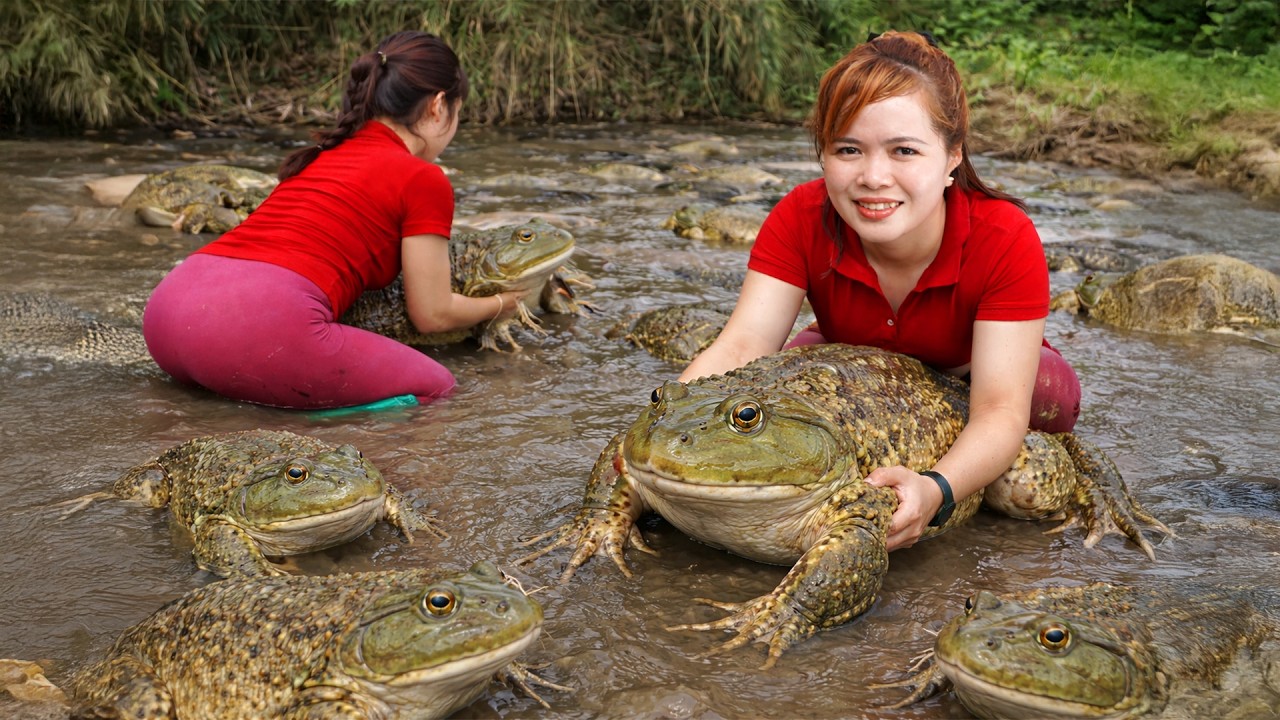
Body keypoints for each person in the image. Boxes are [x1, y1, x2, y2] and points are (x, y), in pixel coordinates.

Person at [678, 31, 1082, 552]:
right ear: (823, 154)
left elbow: (1001, 409)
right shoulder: (800, 216)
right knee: (765, 399)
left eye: (904, 151)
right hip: (855, 357)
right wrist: (664, 427)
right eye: (849, 149)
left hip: (970, 370)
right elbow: (740, 347)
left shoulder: (1004, 236)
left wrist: (937, 490)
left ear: (952, 155)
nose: (873, 177)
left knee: (1049, 405)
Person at [142, 31, 528, 410]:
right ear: (438, 105)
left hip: (168, 317)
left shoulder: (318, 156)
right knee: (436, 389)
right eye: (458, 112)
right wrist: (501, 304)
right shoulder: (424, 178)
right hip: (253, 331)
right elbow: (432, 313)